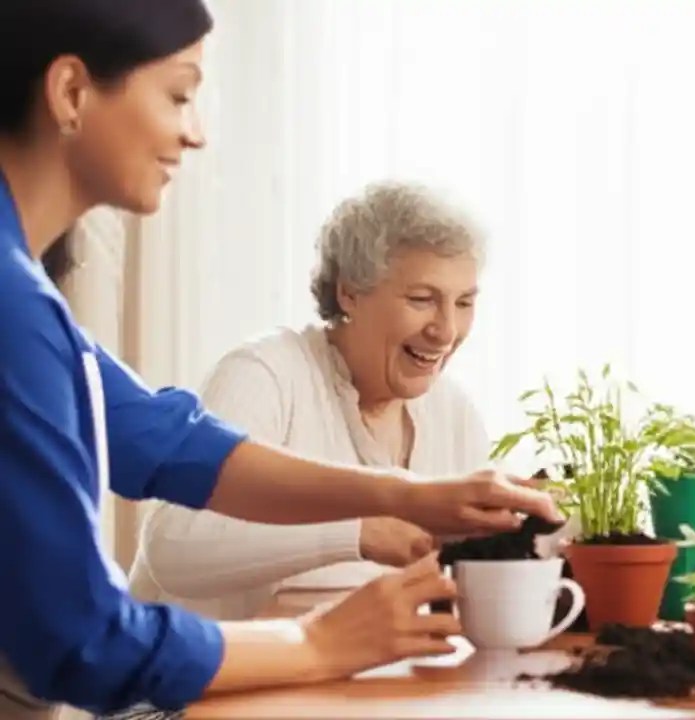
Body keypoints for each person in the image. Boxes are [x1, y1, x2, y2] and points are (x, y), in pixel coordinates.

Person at [0, 2, 561, 718]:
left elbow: (168, 443)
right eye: (178, 94)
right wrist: (318, 642)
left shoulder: (27, 304)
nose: (195, 132)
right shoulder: (12, 311)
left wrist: (405, 493)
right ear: (72, 93)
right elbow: (85, 639)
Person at [129, 181, 492, 620]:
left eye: (465, 302)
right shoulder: (267, 375)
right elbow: (173, 546)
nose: (447, 329)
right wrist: (357, 531)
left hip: (340, 679)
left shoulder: (453, 414)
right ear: (349, 294)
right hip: (193, 679)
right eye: (421, 300)